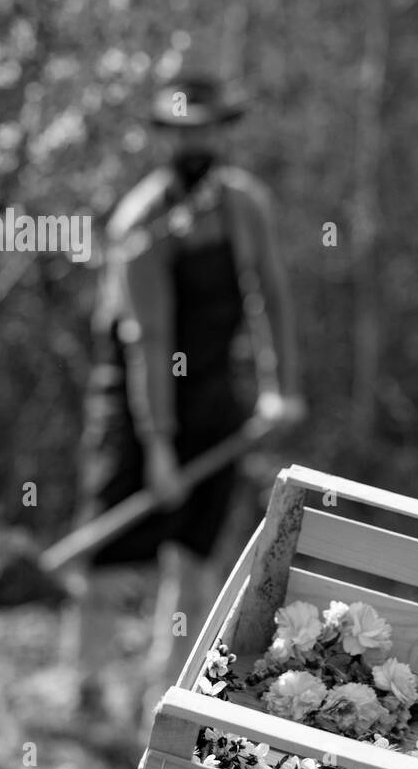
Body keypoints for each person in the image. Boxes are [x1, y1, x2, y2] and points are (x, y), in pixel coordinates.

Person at [66, 73, 305, 726]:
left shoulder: (244, 205)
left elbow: (271, 297)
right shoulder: (138, 223)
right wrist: (160, 447)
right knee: (109, 560)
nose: (195, 138)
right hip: (133, 406)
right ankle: (89, 690)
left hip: (212, 400)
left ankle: (163, 699)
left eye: (206, 127)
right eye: (183, 128)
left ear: (221, 131)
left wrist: (278, 389)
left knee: (197, 558)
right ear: (167, 135)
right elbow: (150, 340)